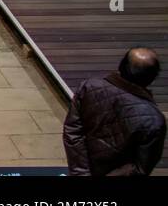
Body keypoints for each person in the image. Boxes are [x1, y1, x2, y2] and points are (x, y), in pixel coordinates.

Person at [64, 48, 165, 176]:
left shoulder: (89, 87)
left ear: (122, 66)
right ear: (152, 77)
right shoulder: (154, 120)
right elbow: (140, 167)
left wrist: (81, 173)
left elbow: (73, 132)